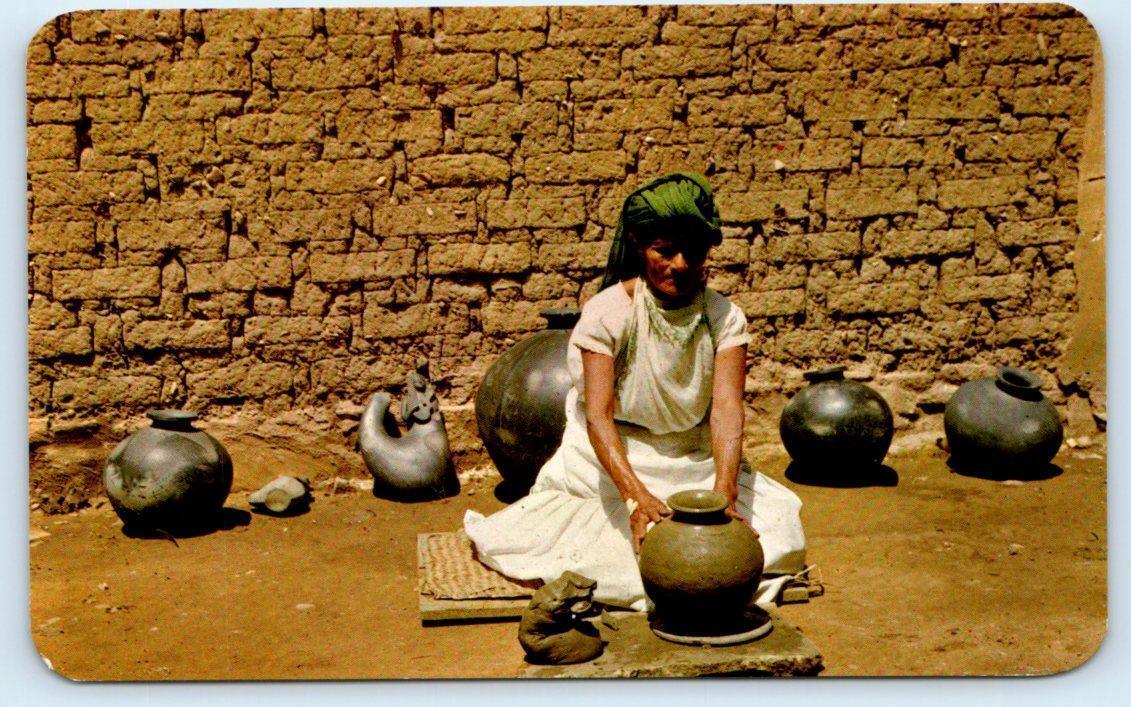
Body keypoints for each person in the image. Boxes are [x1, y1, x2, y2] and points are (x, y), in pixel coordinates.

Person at [465, 172, 806, 611]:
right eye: (665, 251)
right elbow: (598, 416)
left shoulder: (724, 317)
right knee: (609, 563)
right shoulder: (608, 314)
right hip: (611, 461)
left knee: (780, 531)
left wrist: (724, 495)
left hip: (696, 456)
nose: (680, 264)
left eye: (694, 251)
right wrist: (636, 498)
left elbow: (725, 409)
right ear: (638, 245)